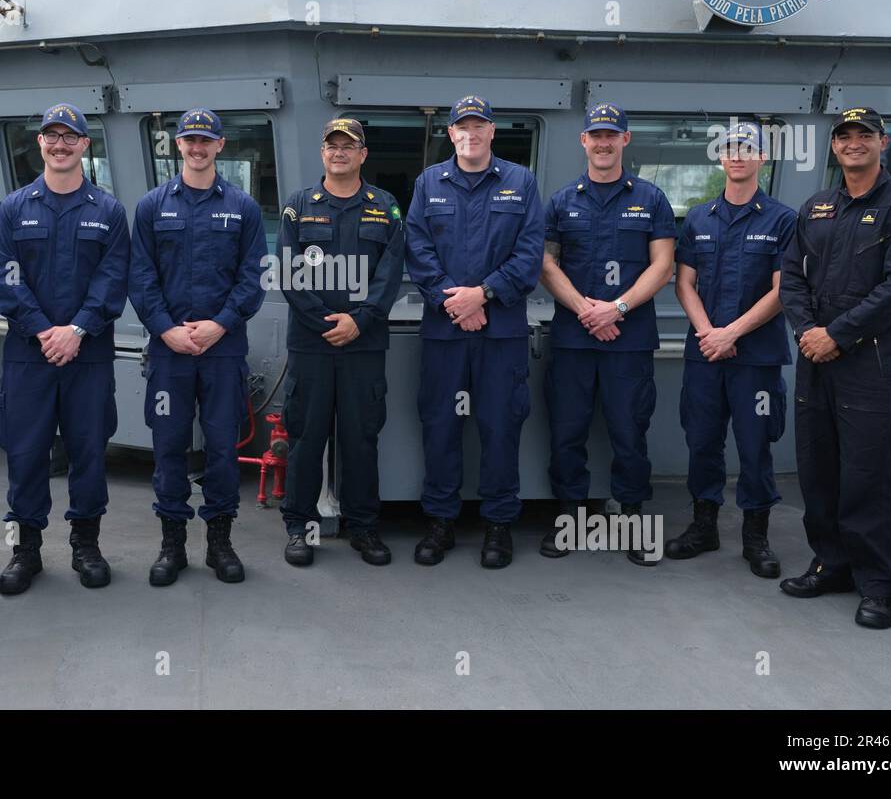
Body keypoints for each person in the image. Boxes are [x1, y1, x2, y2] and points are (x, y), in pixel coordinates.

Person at [779, 107, 891, 629]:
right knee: (819, 466)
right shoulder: (817, 207)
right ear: (833, 147)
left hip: (872, 363)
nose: (853, 143)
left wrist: (837, 334)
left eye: (863, 136)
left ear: (882, 142)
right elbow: (790, 274)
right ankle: (831, 563)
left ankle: (878, 583)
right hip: (816, 360)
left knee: (872, 475)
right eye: (844, 136)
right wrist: (808, 333)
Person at [0, 104, 130, 595]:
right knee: (25, 453)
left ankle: (85, 545)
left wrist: (78, 330)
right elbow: (6, 279)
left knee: (88, 450)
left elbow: (113, 280)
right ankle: (25, 550)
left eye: (70, 137)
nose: (60, 144)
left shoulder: (107, 212)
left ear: (85, 146)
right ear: (41, 143)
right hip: (30, 355)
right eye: (52, 136)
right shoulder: (14, 208)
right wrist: (45, 331)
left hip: (86, 355)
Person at [405, 96, 544, 568]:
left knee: (500, 426)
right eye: (462, 127)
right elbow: (418, 249)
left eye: (478, 126)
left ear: (492, 131)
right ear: (451, 134)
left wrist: (481, 296)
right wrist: (455, 301)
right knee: (441, 427)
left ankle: (498, 524)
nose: (470, 133)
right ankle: (440, 521)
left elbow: (529, 255)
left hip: (500, 332)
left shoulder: (520, 182)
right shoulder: (429, 183)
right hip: (446, 332)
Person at [129, 109, 266, 585]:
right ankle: (172, 545)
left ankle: (220, 542)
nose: (197, 146)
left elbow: (253, 279)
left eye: (206, 139)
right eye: (189, 139)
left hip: (223, 351)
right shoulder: (151, 206)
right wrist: (165, 329)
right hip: (169, 353)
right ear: (178, 144)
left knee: (223, 448)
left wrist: (220, 325)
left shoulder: (243, 208)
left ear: (220, 145)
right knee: (168, 446)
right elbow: (141, 276)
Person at [538, 102, 676, 565]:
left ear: (625, 140)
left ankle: (633, 522)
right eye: (595, 135)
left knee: (629, 431)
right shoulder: (561, 201)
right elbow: (546, 264)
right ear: (583, 141)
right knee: (567, 431)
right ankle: (569, 521)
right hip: (574, 337)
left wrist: (616, 308)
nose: (602, 142)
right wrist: (584, 309)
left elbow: (663, 265)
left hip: (629, 338)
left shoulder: (651, 198)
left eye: (611, 135)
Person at [667, 121, 796, 577]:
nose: (737, 155)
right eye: (729, 149)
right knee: (701, 440)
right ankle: (704, 527)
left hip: (755, 359)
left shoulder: (783, 219)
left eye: (748, 148)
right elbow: (684, 282)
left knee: (755, 446)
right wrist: (708, 333)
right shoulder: (699, 217)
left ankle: (755, 538)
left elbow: (783, 291)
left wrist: (731, 334)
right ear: (720, 158)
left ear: (764, 158)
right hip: (705, 353)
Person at [277, 118, 405, 567]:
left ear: (363, 154)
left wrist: (360, 320)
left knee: (361, 440)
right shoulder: (299, 205)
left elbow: (390, 274)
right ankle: (300, 528)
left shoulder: (384, 207)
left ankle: (364, 528)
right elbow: (290, 274)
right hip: (312, 347)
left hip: (363, 346)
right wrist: (325, 322)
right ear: (322, 153)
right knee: (305, 439)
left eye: (348, 146)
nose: (339, 153)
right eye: (332, 145)